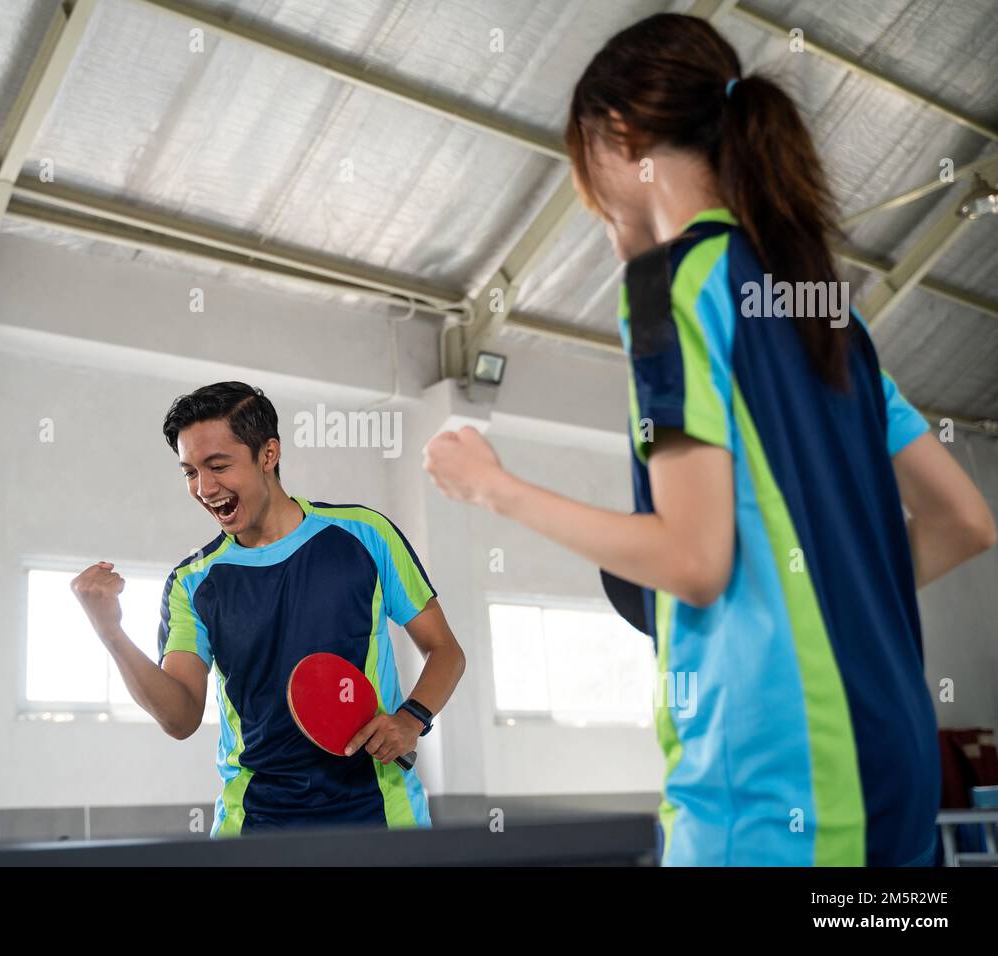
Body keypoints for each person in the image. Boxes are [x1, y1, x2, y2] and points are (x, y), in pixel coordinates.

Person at [422, 13, 995, 866]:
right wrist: (811, 583)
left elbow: (693, 560)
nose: (591, 204)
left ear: (619, 138)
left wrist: (495, 489)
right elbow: (965, 523)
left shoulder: (667, 284)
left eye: (586, 176)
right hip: (897, 764)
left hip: (774, 776)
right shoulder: (825, 311)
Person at [73, 381, 464, 835]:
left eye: (218, 466)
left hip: (381, 815)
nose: (204, 488)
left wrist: (412, 718)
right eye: (189, 472)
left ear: (268, 454)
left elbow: (446, 651)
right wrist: (111, 634)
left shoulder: (365, 535)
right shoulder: (193, 583)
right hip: (256, 826)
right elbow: (180, 719)